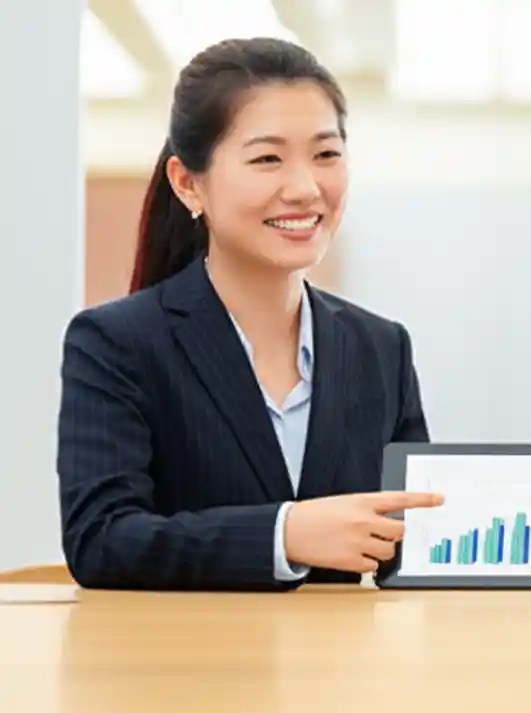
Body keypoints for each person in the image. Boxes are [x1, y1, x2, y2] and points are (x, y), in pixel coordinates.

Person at [58, 37, 442, 590]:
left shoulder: (380, 347)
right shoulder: (116, 343)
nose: (306, 188)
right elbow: (101, 539)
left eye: (327, 154)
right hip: (187, 670)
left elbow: (413, 541)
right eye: (267, 159)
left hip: (345, 671)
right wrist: (284, 535)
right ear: (188, 184)